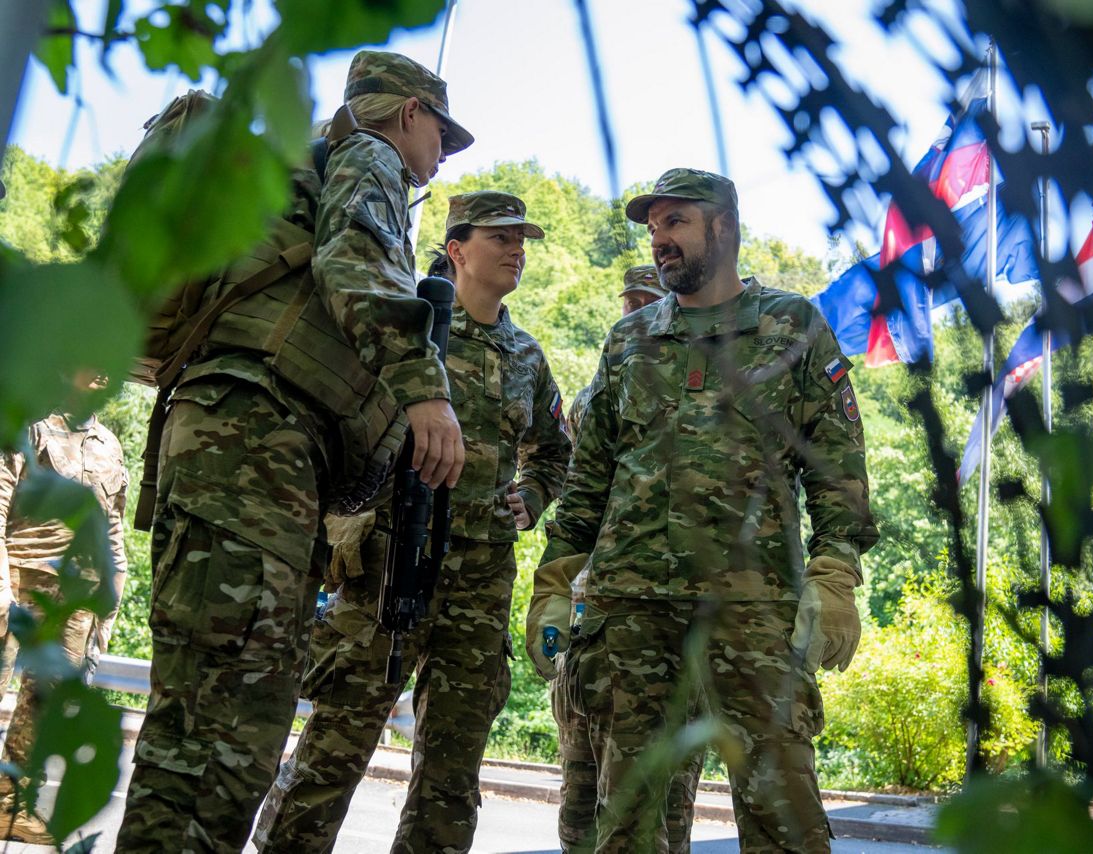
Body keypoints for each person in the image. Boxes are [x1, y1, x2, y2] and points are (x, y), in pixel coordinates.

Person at [116, 50, 473, 851]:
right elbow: (354, 261)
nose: (441, 154)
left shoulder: (309, 167)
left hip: (248, 456)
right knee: (222, 731)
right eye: (440, 134)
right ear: (408, 112)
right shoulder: (370, 154)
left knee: (215, 720)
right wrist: (425, 391)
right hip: (252, 450)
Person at [527, 168, 878, 853]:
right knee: (627, 827)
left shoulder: (792, 326)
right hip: (631, 621)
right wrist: (551, 587)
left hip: (752, 612)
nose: (660, 240)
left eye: (675, 222)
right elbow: (588, 483)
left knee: (784, 821)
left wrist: (834, 579)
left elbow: (837, 474)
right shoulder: (628, 342)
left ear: (724, 226)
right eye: (653, 227)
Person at [252, 190, 572, 854]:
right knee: (339, 741)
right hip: (393, 559)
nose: (518, 250)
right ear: (458, 249)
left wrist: (534, 494)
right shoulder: (413, 333)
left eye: (523, 241)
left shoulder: (526, 356)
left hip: (481, 580)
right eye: (502, 238)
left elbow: (554, 448)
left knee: (453, 771)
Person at [551, 263, 704, 854]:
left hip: (665, 617)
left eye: (649, 299)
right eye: (630, 301)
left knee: (663, 807)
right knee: (580, 799)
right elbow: (578, 487)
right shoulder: (602, 385)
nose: (636, 311)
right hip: (593, 616)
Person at [0, 382, 129, 844]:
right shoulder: (31, 426)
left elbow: (113, 528)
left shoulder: (109, 446)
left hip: (77, 595)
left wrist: (111, 602)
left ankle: (10, 804)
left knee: (46, 701)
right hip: (20, 577)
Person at [563, 264, 666, 442]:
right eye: (633, 304)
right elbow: (566, 462)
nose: (641, 314)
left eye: (653, 305)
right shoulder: (587, 401)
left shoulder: (685, 393)